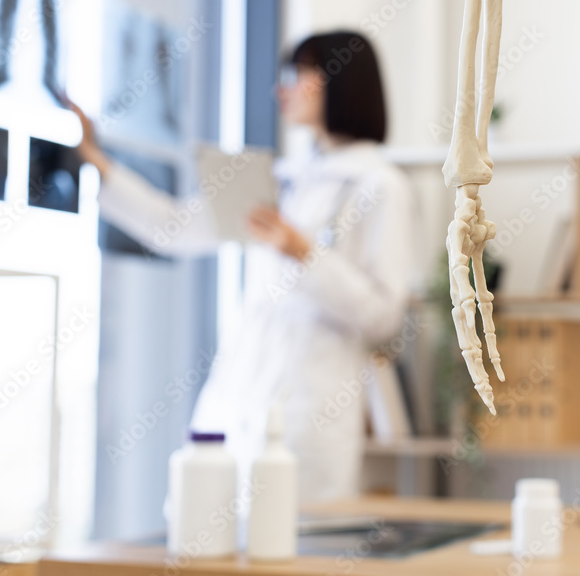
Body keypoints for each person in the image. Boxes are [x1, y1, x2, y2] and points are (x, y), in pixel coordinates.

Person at [67, 31, 416, 502]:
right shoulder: (278, 180)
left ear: (340, 80)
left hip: (310, 415)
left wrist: (304, 253)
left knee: (288, 557)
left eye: (297, 75)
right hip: (237, 395)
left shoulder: (380, 186)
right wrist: (97, 163)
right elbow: (174, 230)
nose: (282, 89)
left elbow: (383, 316)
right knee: (204, 536)